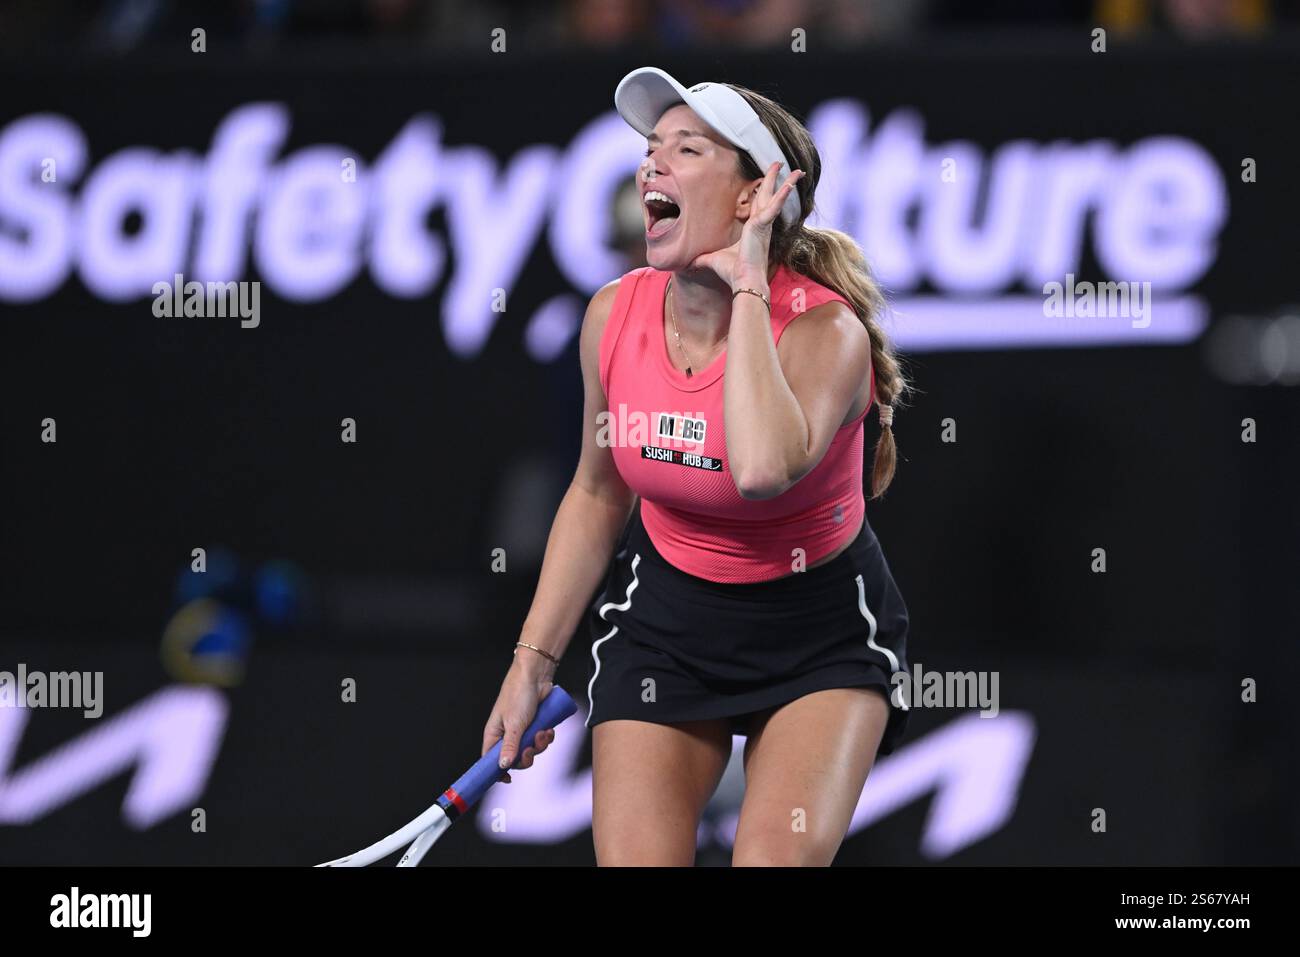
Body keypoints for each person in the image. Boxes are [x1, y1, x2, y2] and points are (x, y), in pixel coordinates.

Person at [482, 66, 912, 866]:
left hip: (818, 635)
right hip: (666, 626)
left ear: (755, 197)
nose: (653, 166)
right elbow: (596, 491)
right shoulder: (612, 314)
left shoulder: (827, 336)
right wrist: (529, 665)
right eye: (650, 150)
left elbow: (758, 470)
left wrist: (749, 286)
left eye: (688, 149)